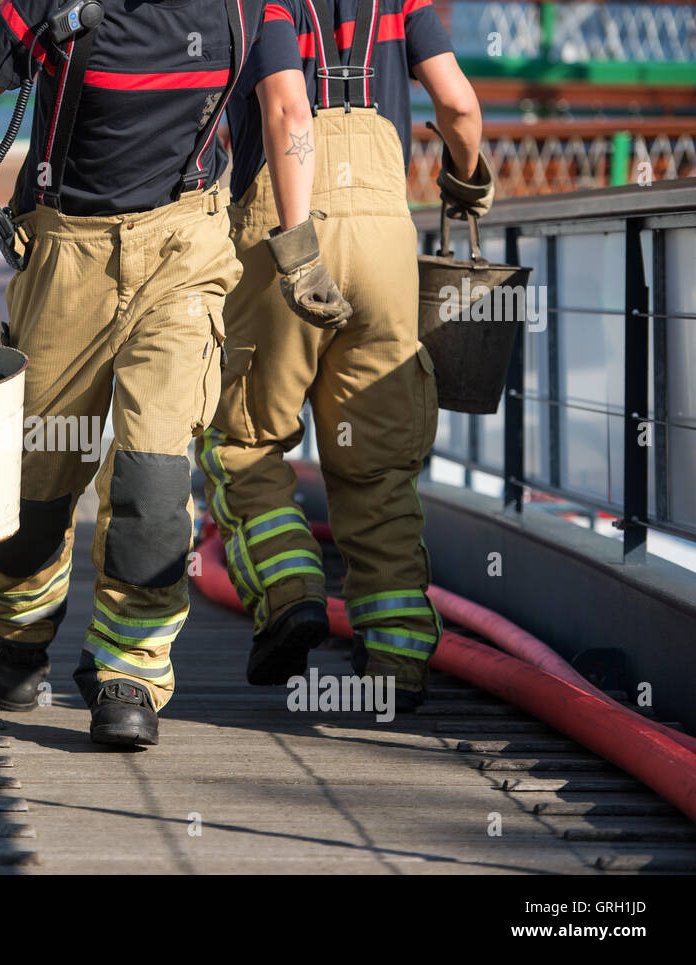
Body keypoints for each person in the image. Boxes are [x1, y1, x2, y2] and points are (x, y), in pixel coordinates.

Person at [0, 0, 285, 745]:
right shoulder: (51, 7)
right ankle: (20, 630)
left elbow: (290, 111)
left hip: (184, 250)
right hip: (64, 256)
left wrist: (300, 241)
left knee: (154, 474)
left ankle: (129, 669)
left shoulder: (248, 8)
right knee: (35, 496)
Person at [197, 0, 493, 709]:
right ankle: (394, 658)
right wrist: (465, 178)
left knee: (244, 436)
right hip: (386, 235)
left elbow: (288, 111)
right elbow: (457, 104)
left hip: (287, 225)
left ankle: (291, 587)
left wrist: (296, 245)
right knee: (378, 460)